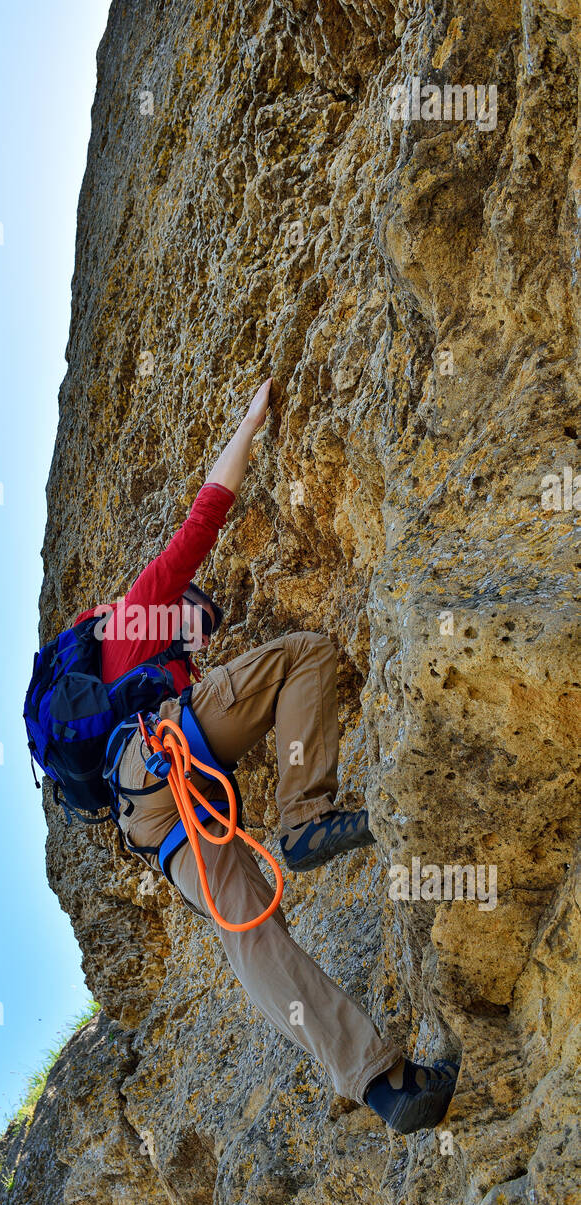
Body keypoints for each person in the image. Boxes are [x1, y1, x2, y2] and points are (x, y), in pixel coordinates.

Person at [72, 379, 459, 1134]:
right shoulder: (137, 612)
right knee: (302, 657)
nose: (202, 637)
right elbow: (204, 515)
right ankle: (305, 817)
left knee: (251, 937)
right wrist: (250, 421)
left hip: (156, 822)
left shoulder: (138, 678)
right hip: (162, 754)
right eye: (200, 622)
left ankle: (383, 1083)